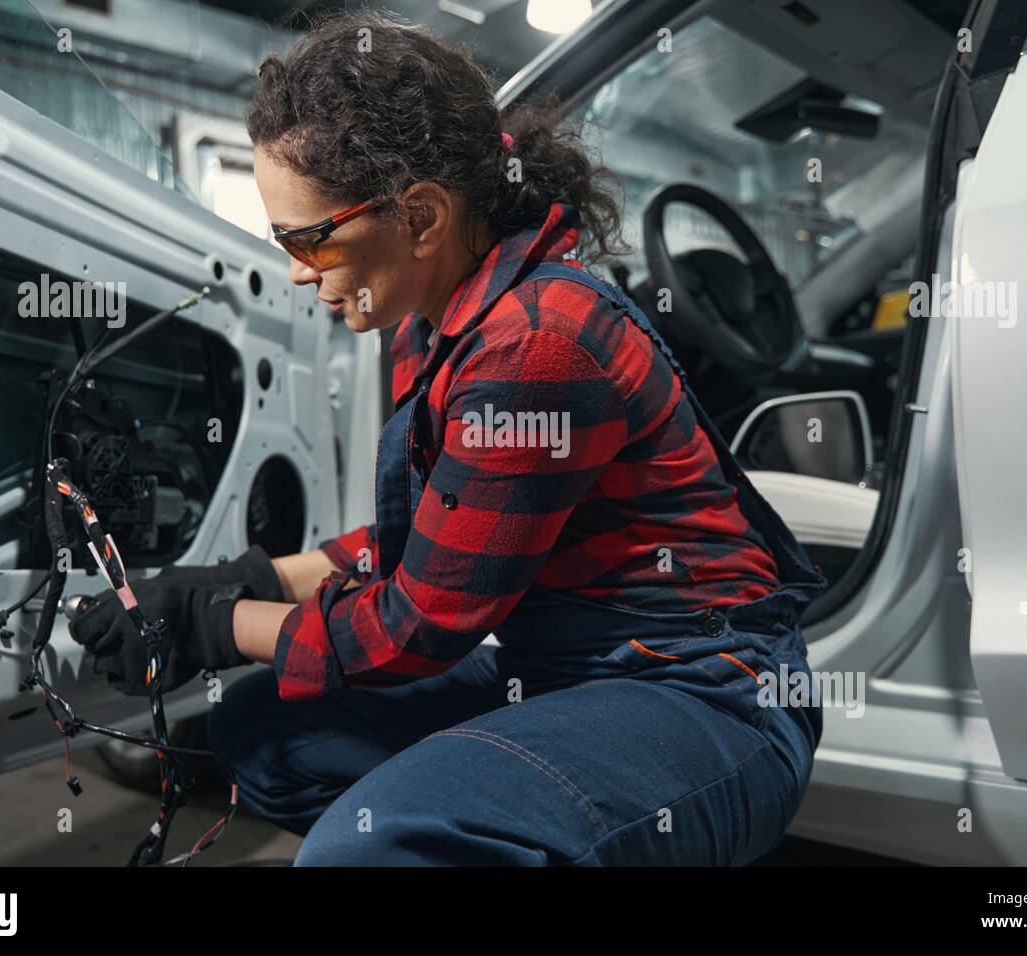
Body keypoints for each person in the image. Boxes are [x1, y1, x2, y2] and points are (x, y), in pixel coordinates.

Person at [70, 9, 827, 866]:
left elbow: (418, 624)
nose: (293, 271)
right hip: (566, 668)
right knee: (263, 728)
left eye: (306, 240)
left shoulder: (536, 342)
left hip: (701, 690)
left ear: (421, 217)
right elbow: (433, 543)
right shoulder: (432, 326)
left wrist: (213, 624)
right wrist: (250, 578)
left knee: (369, 848)